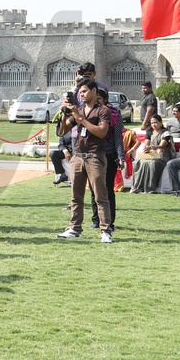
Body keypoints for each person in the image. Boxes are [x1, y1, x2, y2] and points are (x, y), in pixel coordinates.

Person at [55, 78, 114, 243]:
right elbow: (62, 131)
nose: (81, 95)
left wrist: (80, 119)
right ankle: (75, 228)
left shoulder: (103, 111)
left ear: (94, 91)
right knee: (76, 196)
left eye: (84, 91)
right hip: (78, 156)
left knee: (100, 196)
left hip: (95, 157)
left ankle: (105, 231)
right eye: (80, 92)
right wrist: (64, 114)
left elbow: (101, 132)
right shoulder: (78, 109)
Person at [129, 113, 172, 193]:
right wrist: (147, 149)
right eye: (152, 123)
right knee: (139, 162)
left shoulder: (165, 133)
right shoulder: (149, 132)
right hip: (151, 155)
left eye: (155, 122)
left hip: (162, 156)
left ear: (160, 122)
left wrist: (151, 147)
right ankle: (137, 187)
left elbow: (162, 146)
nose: (154, 125)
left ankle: (150, 187)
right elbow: (147, 144)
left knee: (152, 163)